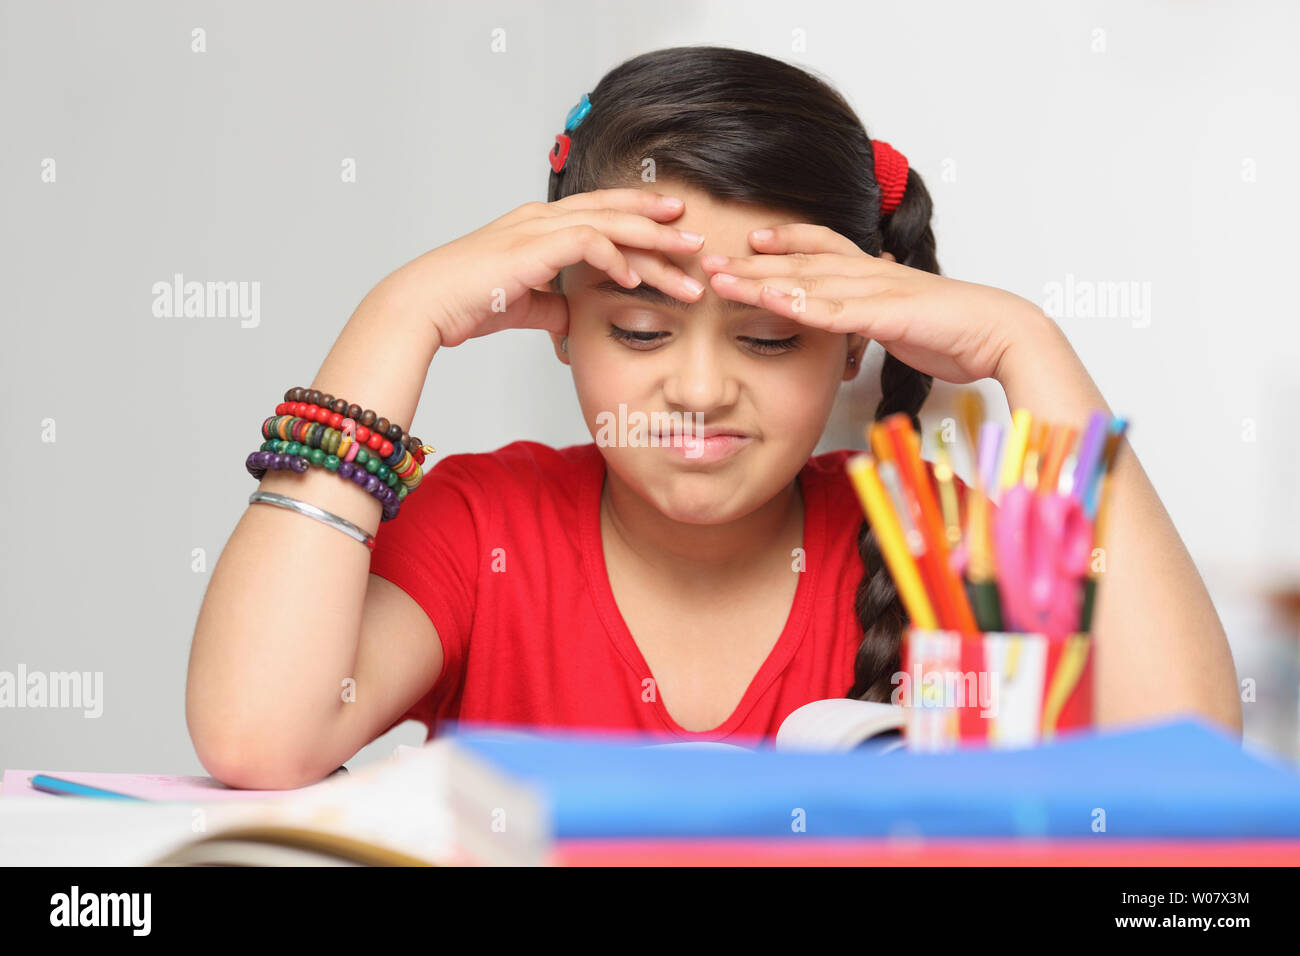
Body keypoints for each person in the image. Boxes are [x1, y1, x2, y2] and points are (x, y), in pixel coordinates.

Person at [187, 46, 1240, 790]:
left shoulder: (935, 543)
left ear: (852, 341)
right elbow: (253, 732)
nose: (696, 391)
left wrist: (1031, 349)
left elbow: (1185, 760)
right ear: (562, 321)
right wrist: (397, 315)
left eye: (769, 338)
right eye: (641, 331)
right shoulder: (486, 525)